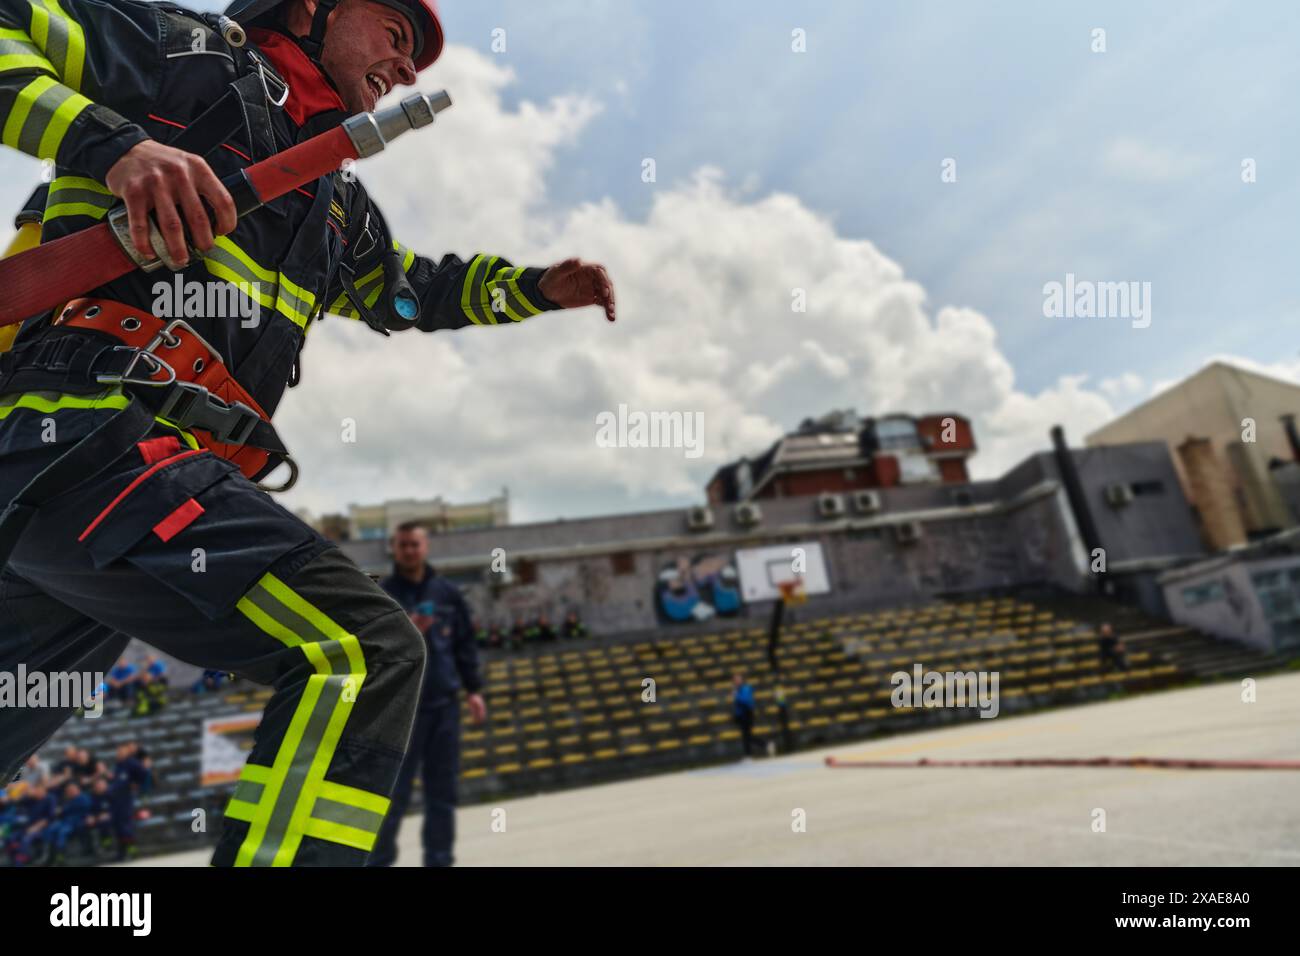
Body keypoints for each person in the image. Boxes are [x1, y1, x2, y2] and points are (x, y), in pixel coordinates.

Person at [0, 0, 614, 867]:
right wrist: (114, 146)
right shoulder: (189, 58)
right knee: (358, 649)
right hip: (89, 437)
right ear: (313, 6)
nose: (407, 71)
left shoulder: (334, 209)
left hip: (84, 507)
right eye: (397, 38)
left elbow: (409, 292)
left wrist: (532, 289)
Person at [369, 522, 487, 867]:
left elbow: (465, 644)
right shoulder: (382, 595)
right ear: (394, 548)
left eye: (415, 544)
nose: (409, 550)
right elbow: (370, 649)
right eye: (403, 545)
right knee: (391, 796)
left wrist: (474, 690)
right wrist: (405, 631)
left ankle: (439, 860)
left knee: (442, 795)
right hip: (399, 711)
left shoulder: (448, 594)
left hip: (443, 708)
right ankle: (379, 861)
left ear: (426, 547)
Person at [731, 673, 767, 758]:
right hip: (741, 715)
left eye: (738, 679)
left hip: (747, 714)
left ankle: (763, 745)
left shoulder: (746, 688)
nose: (736, 681)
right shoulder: (737, 689)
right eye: (735, 679)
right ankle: (750, 753)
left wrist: (736, 695)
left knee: (747, 735)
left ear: (742, 680)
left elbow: (746, 701)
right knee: (746, 735)